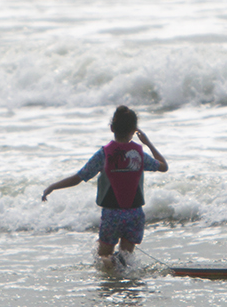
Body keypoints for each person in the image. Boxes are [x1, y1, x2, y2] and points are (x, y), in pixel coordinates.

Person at [40, 105, 167, 266]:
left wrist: (52, 187)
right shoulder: (139, 155)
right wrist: (147, 143)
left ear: (112, 128)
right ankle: (123, 276)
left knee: (103, 256)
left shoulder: (104, 155)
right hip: (135, 214)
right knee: (126, 260)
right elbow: (163, 166)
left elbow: (78, 178)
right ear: (134, 130)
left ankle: (110, 266)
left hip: (111, 215)